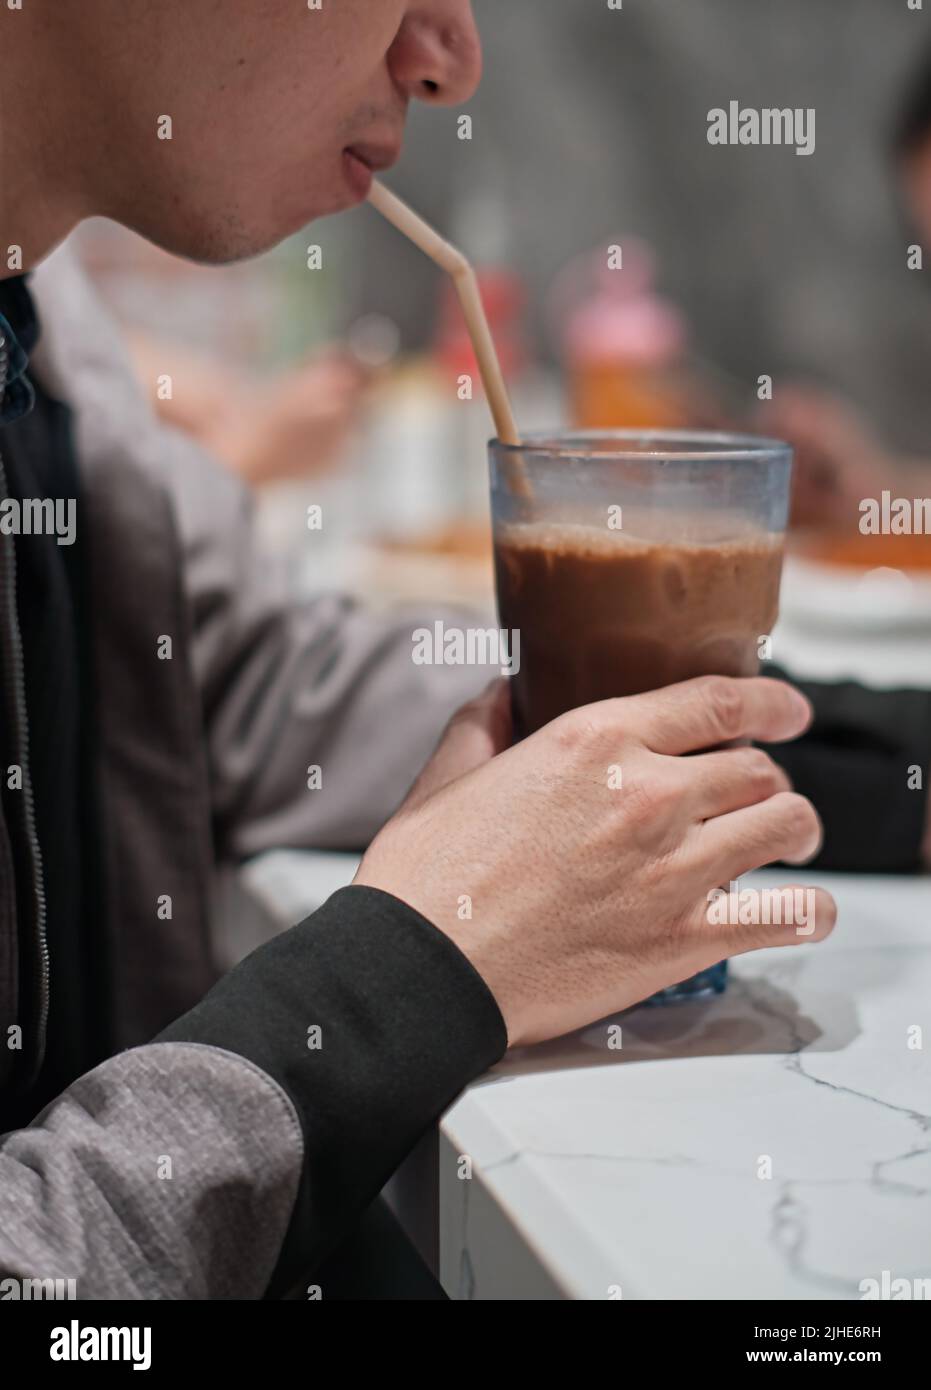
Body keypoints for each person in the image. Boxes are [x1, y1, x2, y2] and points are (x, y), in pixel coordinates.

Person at [0, 0, 909, 1302]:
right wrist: (408, 977)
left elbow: (245, 688)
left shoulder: (47, 334)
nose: (451, 55)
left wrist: (870, 762)